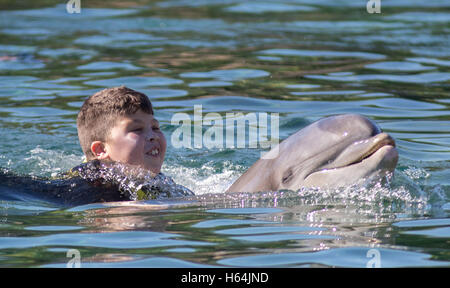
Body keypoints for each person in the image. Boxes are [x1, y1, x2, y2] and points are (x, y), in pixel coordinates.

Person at [69, 86, 193, 202]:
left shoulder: (158, 181)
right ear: (101, 149)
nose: (153, 136)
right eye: (137, 129)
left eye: (155, 127)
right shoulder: (88, 187)